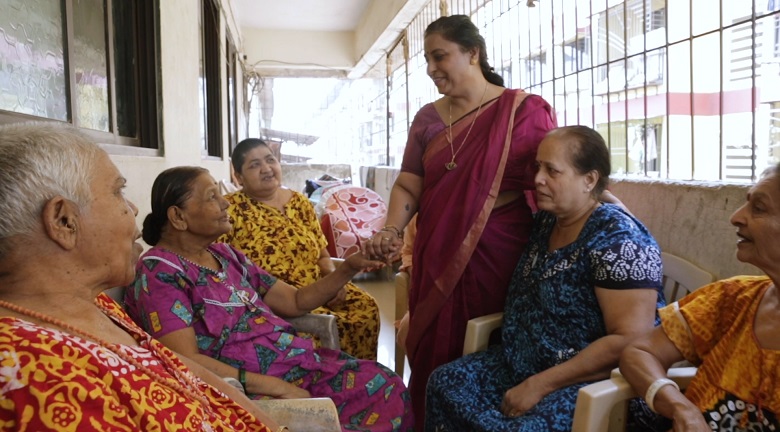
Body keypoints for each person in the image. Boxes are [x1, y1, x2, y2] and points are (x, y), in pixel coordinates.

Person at [0, 123, 278, 431]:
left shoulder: (95, 304)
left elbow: (183, 369)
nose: (132, 208)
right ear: (64, 221)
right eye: (118, 191)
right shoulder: (38, 375)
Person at [363, 14, 558, 427]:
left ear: (473, 54)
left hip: (503, 254)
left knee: (495, 345)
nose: (432, 69)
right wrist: (391, 229)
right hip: (437, 248)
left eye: (440, 57)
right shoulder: (428, 119)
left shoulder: (525, 111)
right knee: (435, 344)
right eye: (428, 61)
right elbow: (408, 185)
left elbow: (556, 179)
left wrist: (606, 208)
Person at [124, 166, 414, 432]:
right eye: (212, 197)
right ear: (178, 216)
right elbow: (185, 359)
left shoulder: (225, 255)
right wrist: (275, 387)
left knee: (385, 382)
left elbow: (296, 301)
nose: (225, 203)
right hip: (245, 390)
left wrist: (350, 265)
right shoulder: (160, 272)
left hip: (296, 366)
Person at [424, 126, 666, 431]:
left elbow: (631, 339)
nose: (537, 179)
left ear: (589, 179)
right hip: (522, 363)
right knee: (445, 383)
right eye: (538, 167)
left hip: (589, 382)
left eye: (552, 170)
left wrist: (540, 384)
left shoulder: (620, 241)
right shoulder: (547, 222)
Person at [620, 163, 780, 431]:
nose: (736, 217)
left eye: (759, 208)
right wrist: (679, 406)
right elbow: (639, 352)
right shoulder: (732, 299)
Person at [219, 138, 380, 360]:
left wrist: (334, 280)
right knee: (313, 331)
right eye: (254, 165)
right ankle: (326, 383)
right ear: (238, 177)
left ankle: (360, 381)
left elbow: (323, 255)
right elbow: (223, 267)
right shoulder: (230, 210)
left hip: (319, 287)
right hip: (276, 299)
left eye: (270, 160)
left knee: (365, 307)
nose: (266, 169)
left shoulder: (299, 202)